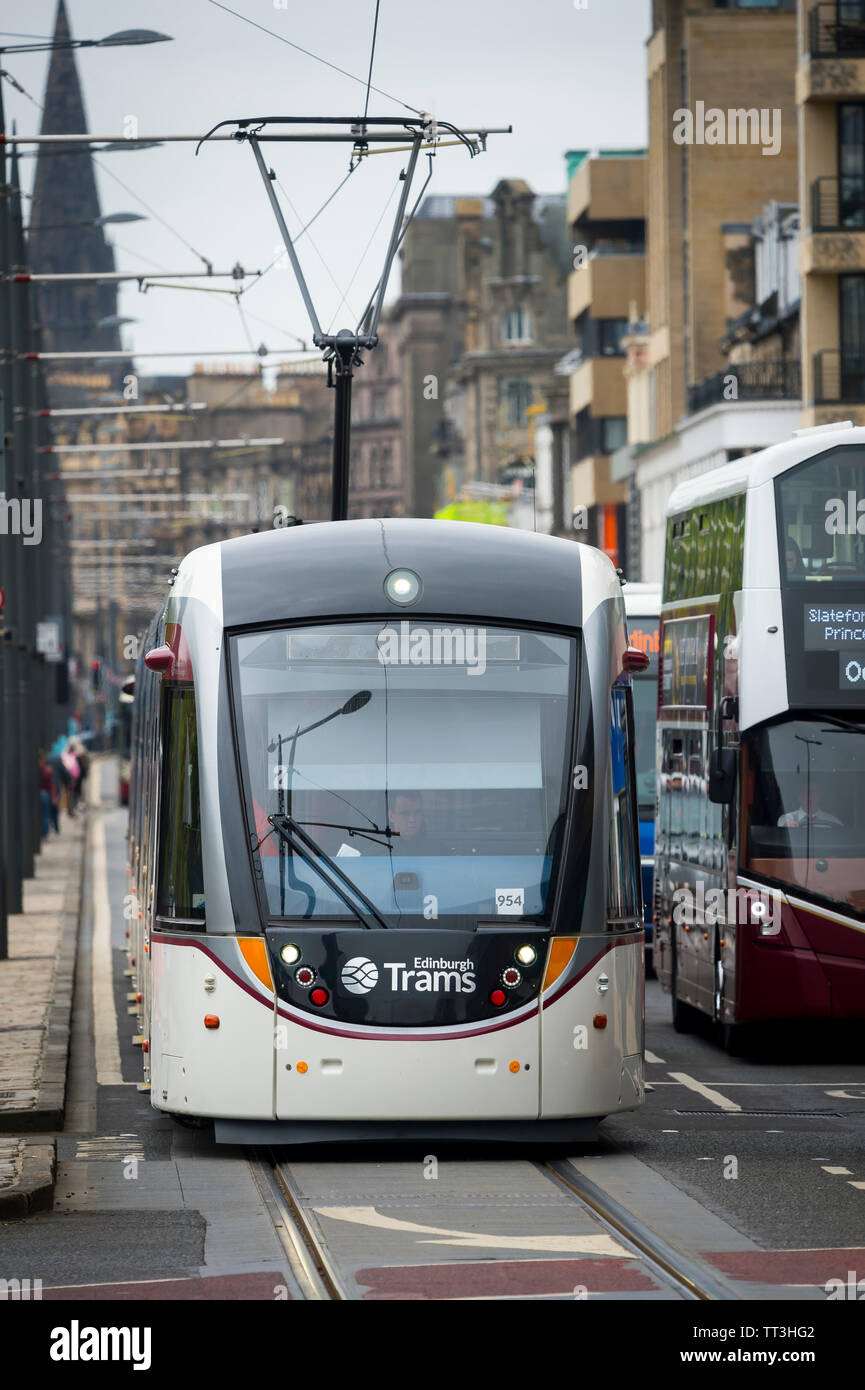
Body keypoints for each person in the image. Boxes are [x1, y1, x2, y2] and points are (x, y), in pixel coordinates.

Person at [778, 783, 842, 829]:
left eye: (813, 792)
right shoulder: (785, 820)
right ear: (799, 797)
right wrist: (785, 830)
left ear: (819, 796)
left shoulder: (833, 822)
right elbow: (780, 840)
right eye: (806, 792)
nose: (810, 796)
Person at [38, 749, 58, 838]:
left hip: (36, 794)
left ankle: (42, 833)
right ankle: (45, 833)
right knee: (46, 815)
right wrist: (54, 797)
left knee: (41, 815)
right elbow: (51, 785)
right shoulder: (47, 770)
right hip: (46, 794)